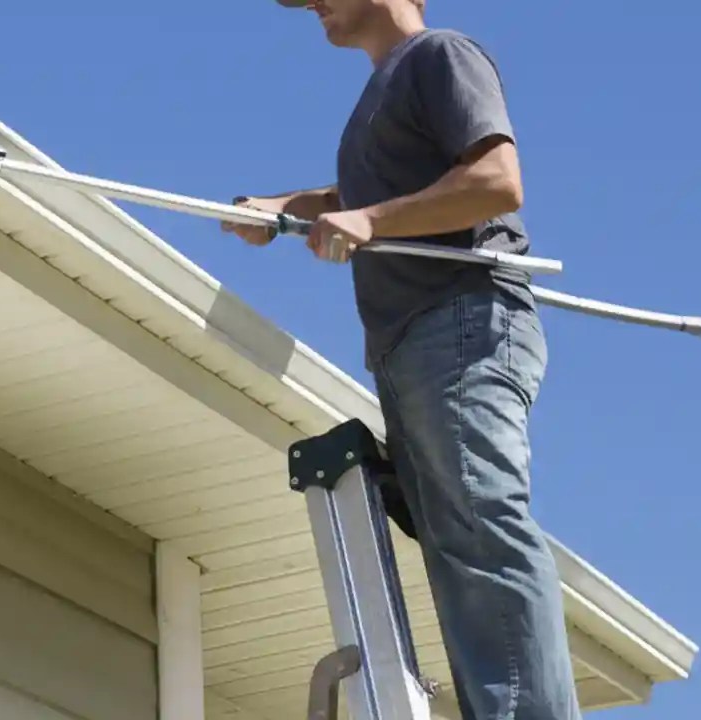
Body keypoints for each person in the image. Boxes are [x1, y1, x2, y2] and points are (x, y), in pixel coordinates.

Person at [222, 2, 582, 719]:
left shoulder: (440, 55)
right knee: (454, 544)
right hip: (410, 343)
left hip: (460, 316)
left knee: (481, 527)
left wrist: (370, 221)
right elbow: (358, 198)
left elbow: (496, 181)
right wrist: (284, 207)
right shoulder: (375, 104)